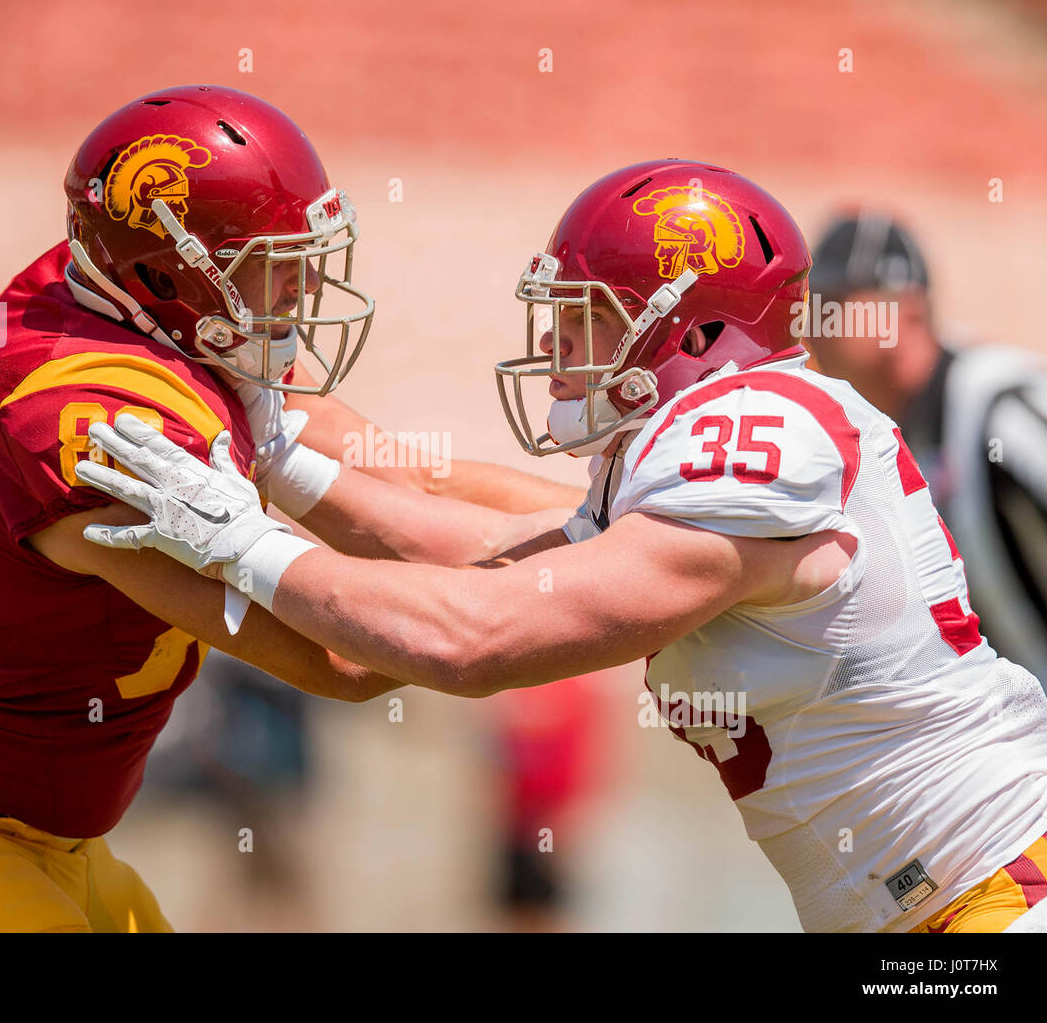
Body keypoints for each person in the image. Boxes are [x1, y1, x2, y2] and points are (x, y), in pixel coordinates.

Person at [76, 160, 1047, 934]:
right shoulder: (701, 442)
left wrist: (243, 546)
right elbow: (494, 546)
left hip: (995, 895)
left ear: (691, 327)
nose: (560, 350)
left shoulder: (754, 435)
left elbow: (478, 638)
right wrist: (277, 459)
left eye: (587, 319)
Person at [0, 85, 573, 933]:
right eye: (273, 263)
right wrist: (613, 603)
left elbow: (414, 483)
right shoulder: (100, 430)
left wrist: (649, 523)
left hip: (60, 842)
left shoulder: (150, 313)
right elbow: (343, 661)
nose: (303, 288)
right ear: (167, 268)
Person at [806, 210, 1047, 681]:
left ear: (907, 310)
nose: (813, 326)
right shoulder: (882, 427)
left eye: (832, 305)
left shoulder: (997, 403)